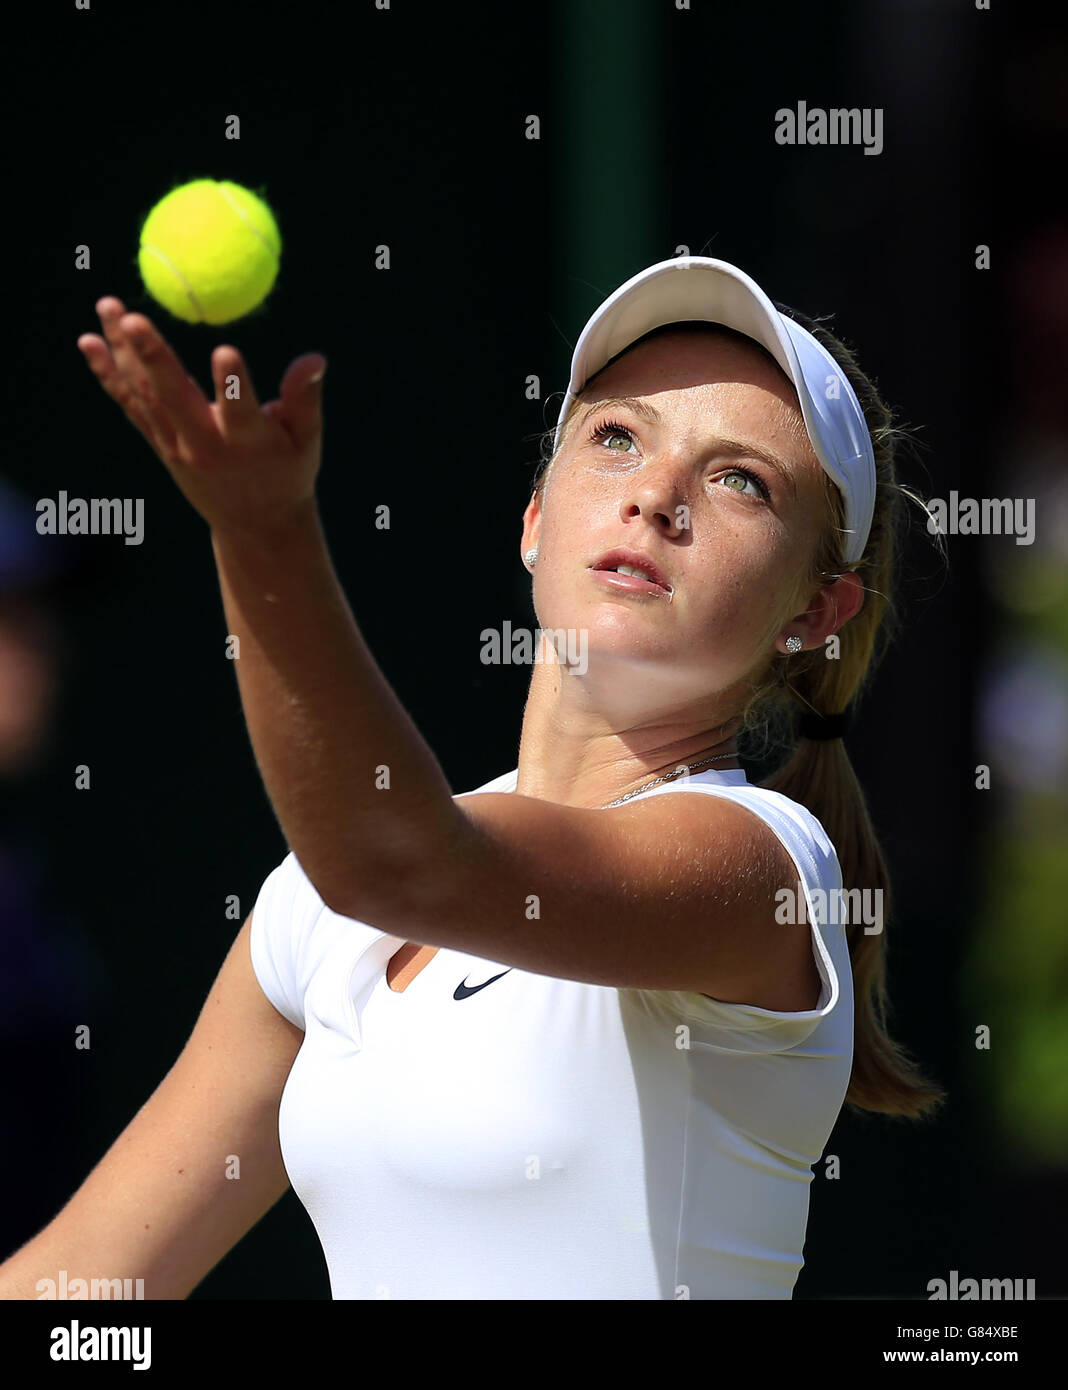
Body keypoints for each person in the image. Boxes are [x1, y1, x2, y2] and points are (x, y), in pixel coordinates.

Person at [0, 255, 943, 1302]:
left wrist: (262, 532)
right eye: (618, 436)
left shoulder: (767, 866)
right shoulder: (310, 904)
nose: (655, 495)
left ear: (815, 615)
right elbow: (79, 1293)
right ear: (536, 516)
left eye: (738, 480)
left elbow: (403, 863)